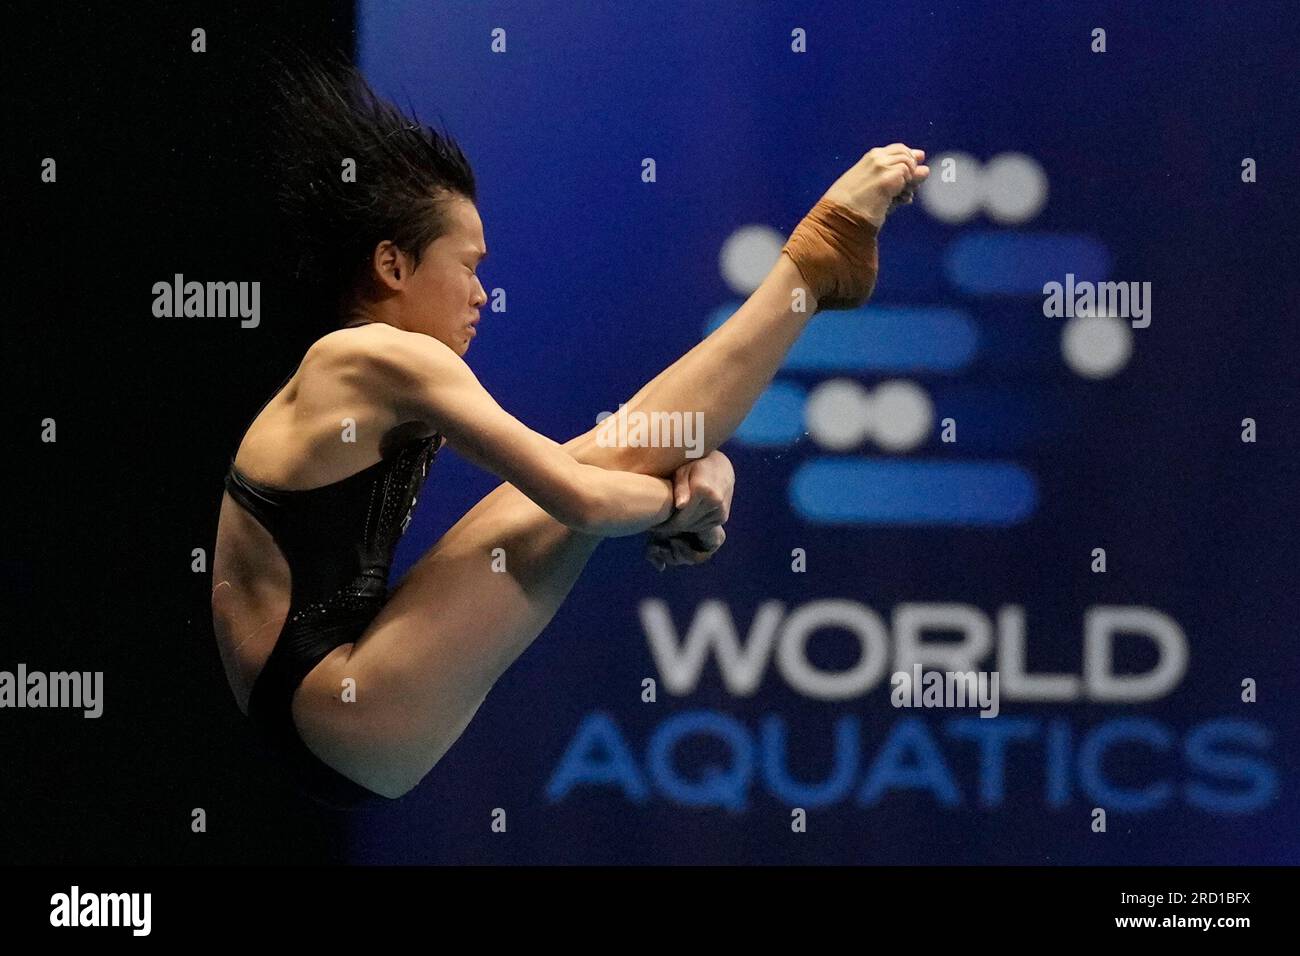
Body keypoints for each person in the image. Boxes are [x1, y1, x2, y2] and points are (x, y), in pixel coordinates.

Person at [211, 54, 929, 808]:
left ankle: (812, 274)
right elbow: (582, 501)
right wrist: (676, 500)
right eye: (469, 266)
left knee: (612, 452)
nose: (483, 294)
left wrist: (692, 468)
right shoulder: (374, 356)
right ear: (393, 264)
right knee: (603, 464)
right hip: (334, 700)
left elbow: (595, 472)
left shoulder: (358, 372)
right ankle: (809, 272)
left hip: (329, 703)